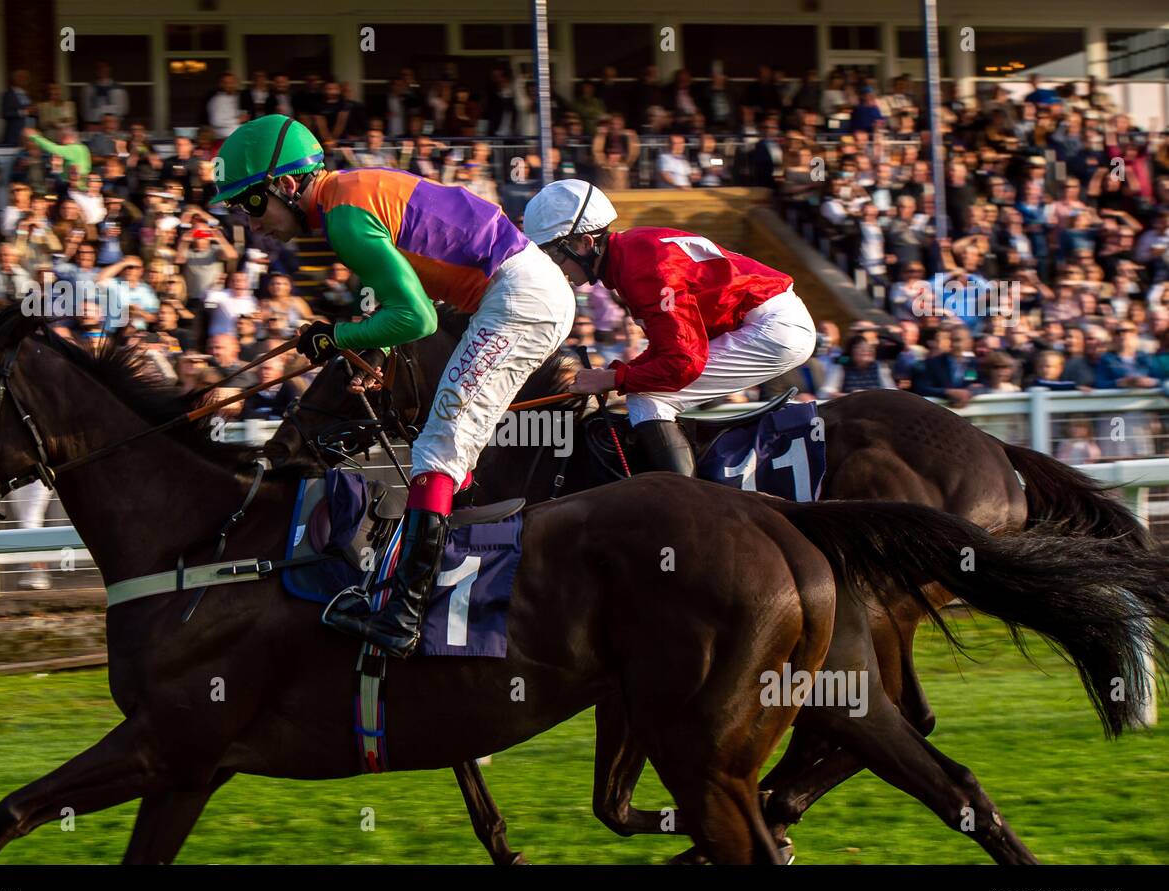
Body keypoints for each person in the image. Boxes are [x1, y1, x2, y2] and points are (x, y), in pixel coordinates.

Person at [212, 115, 574, 656]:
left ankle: (404, 613)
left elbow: (418, 319)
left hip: (518, 296)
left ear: (287, 185)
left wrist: (336, 337)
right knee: (451, 444)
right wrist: (371, 348)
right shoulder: (348, 197)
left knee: (436, 448)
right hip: (517, 292)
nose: (249, 222)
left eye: (251, 203)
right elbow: (403, 306)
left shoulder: (343, 219)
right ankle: (447, 581)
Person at [523, 180, 817, 475]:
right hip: (767, 323)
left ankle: (683, 507)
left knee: (649, 398)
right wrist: (614, 374)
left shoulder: (641, 268)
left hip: (773, 328)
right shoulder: (629, 255)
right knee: (646, 390)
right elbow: (669, 350)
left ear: (585, 243)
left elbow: (682, 364)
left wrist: (613, 379)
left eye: (554, 254)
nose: (554, 267)